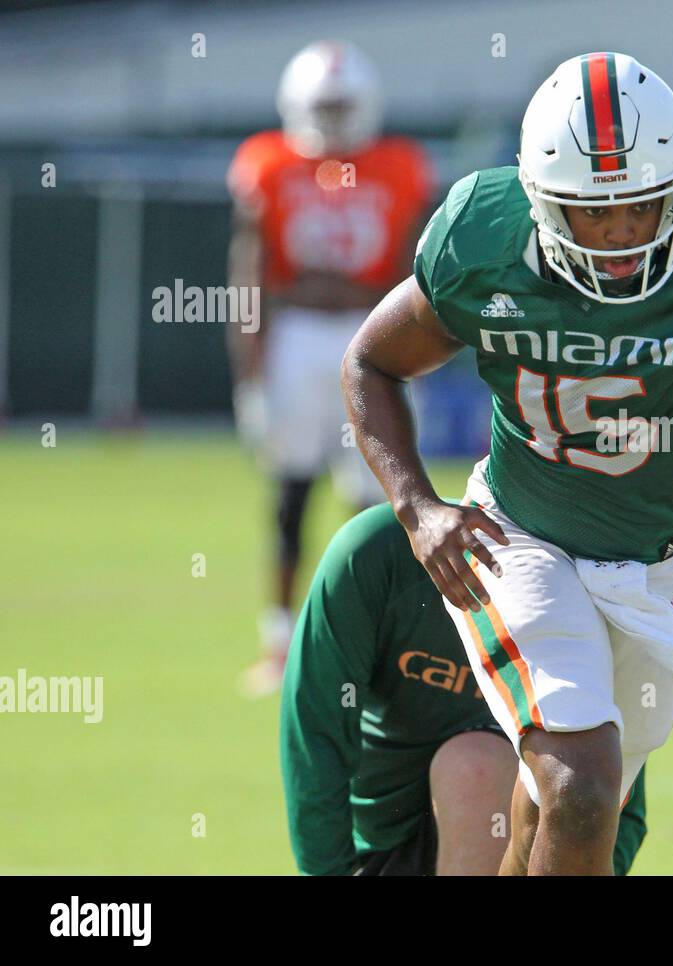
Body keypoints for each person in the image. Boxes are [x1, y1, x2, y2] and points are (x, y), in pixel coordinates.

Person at [340, 52, 673, 875]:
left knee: (552, 810)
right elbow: (371, 362)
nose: (618, 234)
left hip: (661, 562)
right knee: (583, 788)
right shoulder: (482, 239)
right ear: (538, 201)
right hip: (521, 537)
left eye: (642, 207)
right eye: (589, 213)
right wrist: (416, 507)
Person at [280, 504, 647, 875]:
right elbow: (316, 731)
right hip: (384, 846)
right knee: (475, 766)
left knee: (478, 766)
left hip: (523, 846)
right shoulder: (377, 550)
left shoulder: (582, 575)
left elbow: (616, 784)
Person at [226, 41, 431, 697]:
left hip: (369, 332)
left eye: (343, 105)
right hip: (295, 334)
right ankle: (279, 640)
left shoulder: (398, 164)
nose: (334, 118)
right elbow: (249, 269)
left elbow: (412, 266)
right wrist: (251, 370)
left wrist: (412, 352)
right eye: (324, 106)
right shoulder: (269, 161)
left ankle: (375, 640)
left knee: (378, 497)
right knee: (292, 491)